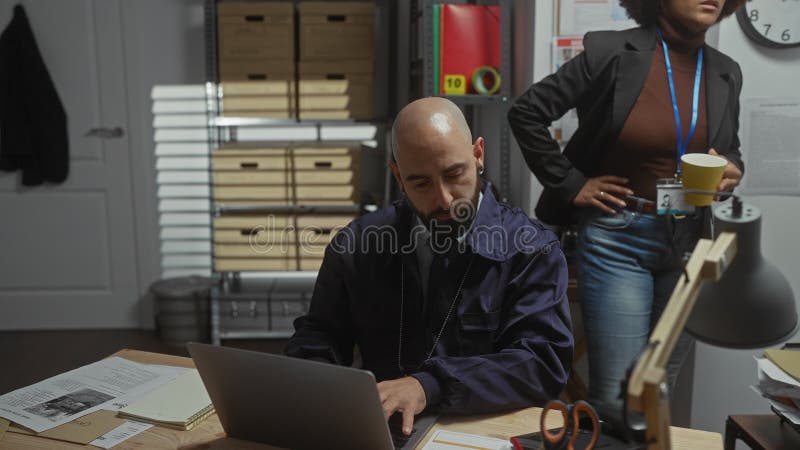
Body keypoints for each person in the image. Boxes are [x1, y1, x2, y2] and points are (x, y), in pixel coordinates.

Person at [507, 0, 745, 413]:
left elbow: (730, 149)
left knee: (658, 390)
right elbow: (526, 112)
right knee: (619, 397)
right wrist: (571, 184)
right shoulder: (611, 52)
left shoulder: (726, 71)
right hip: (619, 237)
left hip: (691, 242)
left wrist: (732, 169)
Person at [285, 97, 573, 435]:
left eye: (454, 174)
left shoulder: (532, 249)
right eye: (421, 183)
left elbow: (541, 362)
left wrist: (429, 386)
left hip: (484, 433)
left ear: (478, 155)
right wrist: (317, 379)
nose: (444, 199)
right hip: (385, 430)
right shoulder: (357, 245)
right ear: (398, 175)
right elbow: (321, 334)